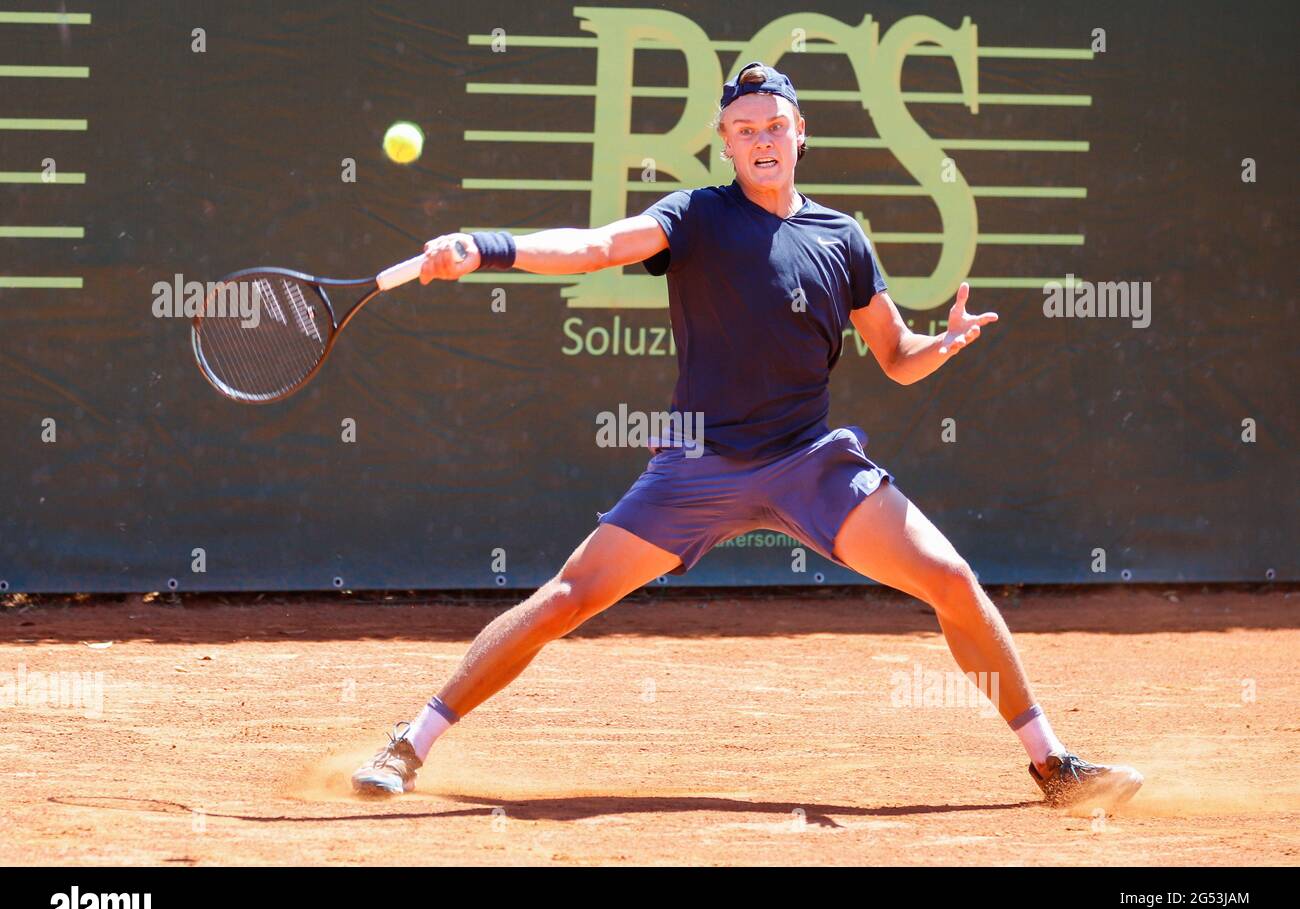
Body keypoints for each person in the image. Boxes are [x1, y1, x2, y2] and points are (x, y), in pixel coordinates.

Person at [351, 62, 1143, 810]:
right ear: (724, 142)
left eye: (774, 126)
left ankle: (1053, 764)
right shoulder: (692, 216)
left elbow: (895, 356)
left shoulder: (842, 239)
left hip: (808, 462)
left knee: (954, 580)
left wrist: (940, 345)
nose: (761, 140)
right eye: (744, 128)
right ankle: (409, 744)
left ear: (801, 135)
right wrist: (487, 247)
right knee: (566, 598)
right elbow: (596, 248)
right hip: (699, 465)